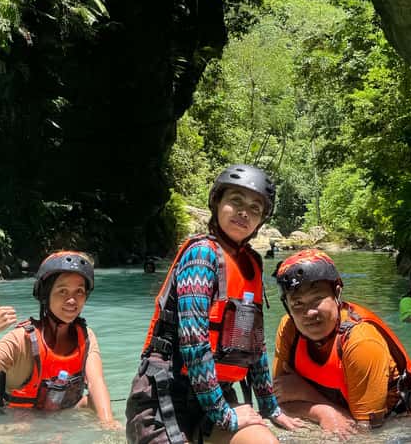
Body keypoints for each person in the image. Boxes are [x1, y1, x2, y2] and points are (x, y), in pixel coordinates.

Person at [125, 164, 304, 444]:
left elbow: (255, 345)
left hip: (217, 395)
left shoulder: (252, 264)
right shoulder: (201, 256)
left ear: (260, 221)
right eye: (236, 201)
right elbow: (194, 344)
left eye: (255, 208)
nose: (245, 212)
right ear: (217, 202)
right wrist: (226, 416)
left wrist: (271, 408)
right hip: (165, 398)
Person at [0, 250, 118, 425]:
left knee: (95, 405)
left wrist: (109, 426)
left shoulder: (86, 336)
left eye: (79, 291)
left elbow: (96, 383)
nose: (72, 300)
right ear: (45, 295)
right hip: (16, 420)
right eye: (62, 291)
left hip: (63, 412)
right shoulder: (20, 341)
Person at [272, 249, 411, 434]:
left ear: (337, 294)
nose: (309, 313)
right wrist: (322, 411)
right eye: (297, 303)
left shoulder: (361, 341)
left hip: (400, 426)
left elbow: (364, 432)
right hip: (349, 412)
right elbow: (278, 400)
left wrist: (308, 395)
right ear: (287, 305)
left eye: (317, 299)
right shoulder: (290, 328)